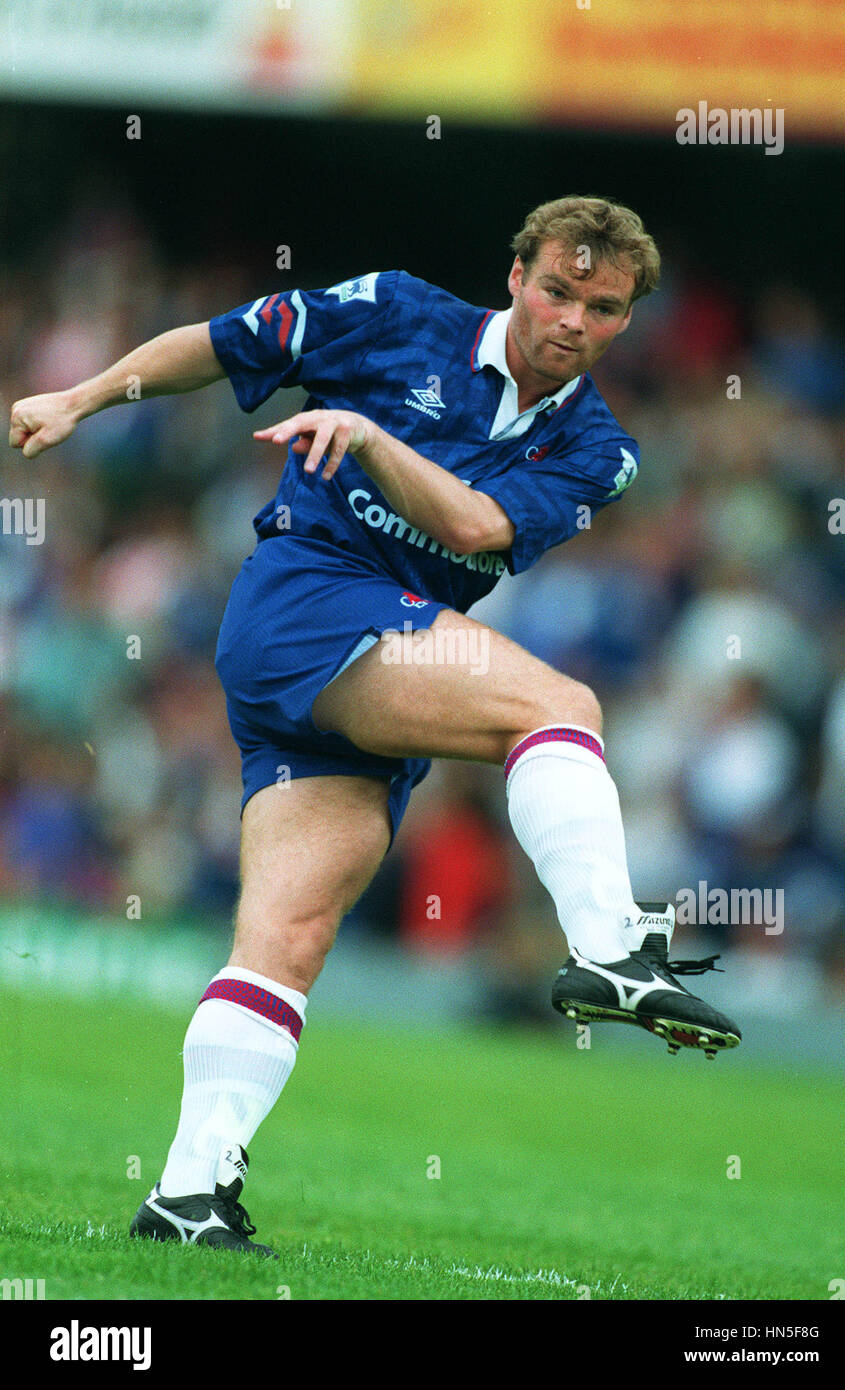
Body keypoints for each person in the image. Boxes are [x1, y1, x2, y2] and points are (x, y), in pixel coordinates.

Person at [9, 195, 741, 1258]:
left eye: (603, 305)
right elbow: (222, 344)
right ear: (513, 278)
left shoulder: (599, 451)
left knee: (284, 941)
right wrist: (82, 396)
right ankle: (612, 947)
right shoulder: (396, 313)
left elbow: (479, 527)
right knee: (558, 706)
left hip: (377, 671)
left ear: (628, 319)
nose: (572, 318)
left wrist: (365, 438)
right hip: (305, 603)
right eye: (556, 289)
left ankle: (187, 1192)